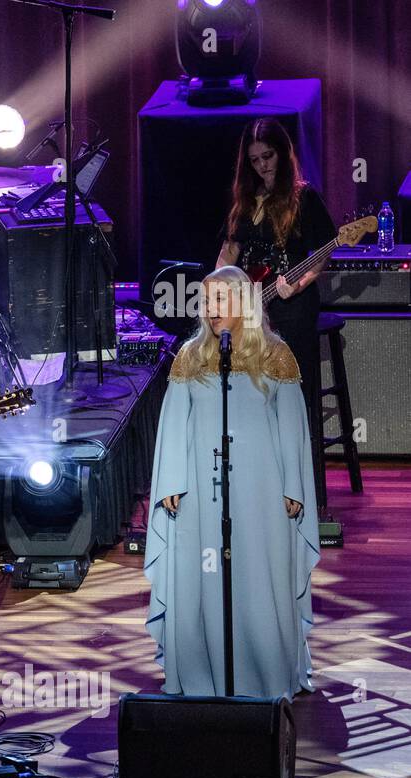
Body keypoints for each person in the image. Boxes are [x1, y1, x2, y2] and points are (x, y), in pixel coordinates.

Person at [144, 266, 320, 699]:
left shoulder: (276, 355)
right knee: (205, 576)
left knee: (259, 577)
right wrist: (171, 481)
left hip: (262, 492)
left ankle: (264, 675)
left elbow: (292, 426)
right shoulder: (191, 356)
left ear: (244, 302)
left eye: (220, 300)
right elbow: (174, 424)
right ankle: (205, 676)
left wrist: (293, 487)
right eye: (206, 301)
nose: (211, 309)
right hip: (202, 495)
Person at [216, 118, 335, 498]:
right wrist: (219, 287)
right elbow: (229, 251)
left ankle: (302, 491)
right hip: (251, 310)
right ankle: (259, 488)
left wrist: (296, 285)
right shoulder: (245, 203)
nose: (263, 165)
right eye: (254, 160)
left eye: (268, 156)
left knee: (291, 395)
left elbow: (321, 256)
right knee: (249, 395)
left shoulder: (303, 197)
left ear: (282, 155)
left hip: (291, 307)